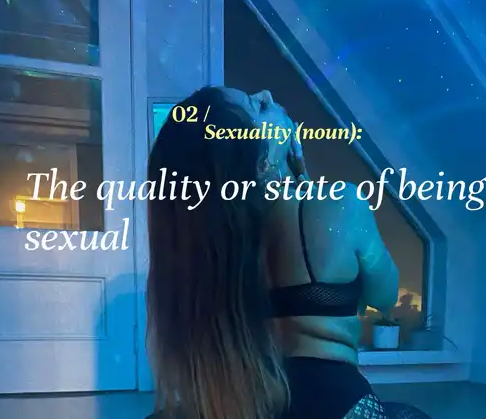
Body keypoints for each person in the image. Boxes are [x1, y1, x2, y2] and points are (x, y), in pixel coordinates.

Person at [145, 86, 431, 419]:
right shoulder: (340, 206)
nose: (267, 94)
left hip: (246, 404)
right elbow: (384, 296)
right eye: (257, 105)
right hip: (335, 403)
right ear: (263, 159)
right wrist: (307, 188)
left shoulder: (215, 238)